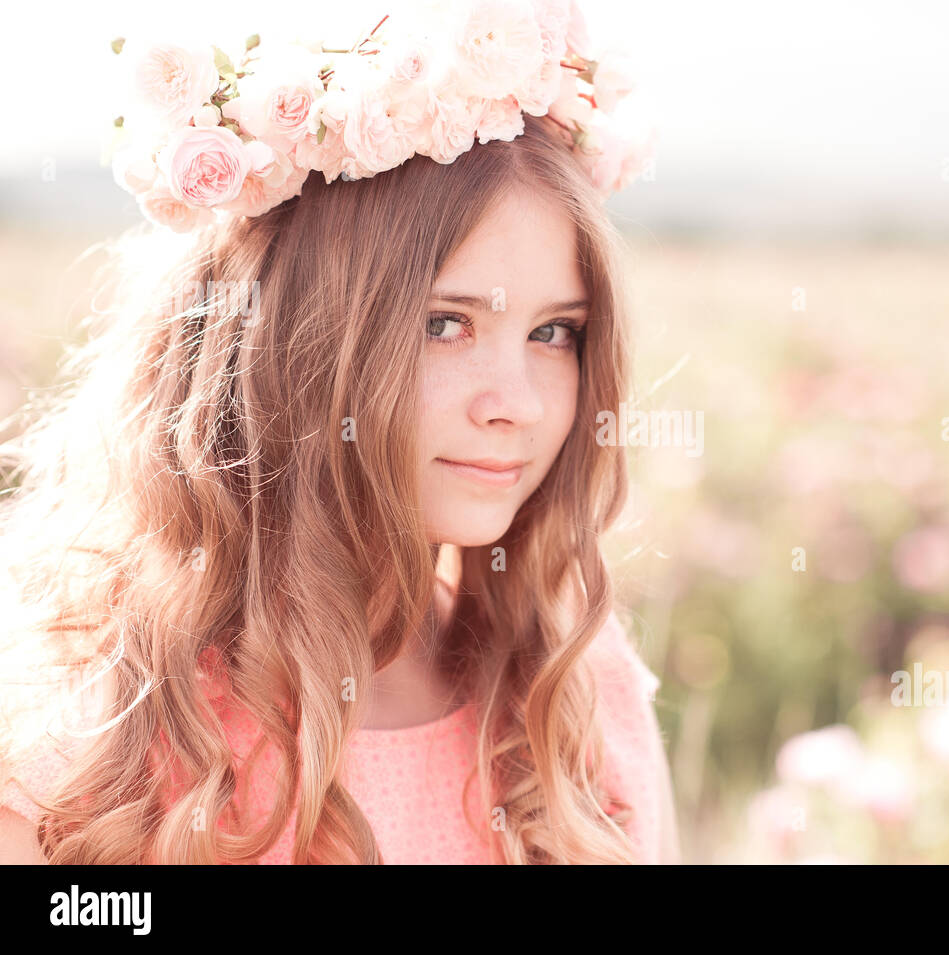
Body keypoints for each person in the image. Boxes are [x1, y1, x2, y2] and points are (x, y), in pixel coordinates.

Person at [0, 3, 678, 864]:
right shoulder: (93, 730)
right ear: (291, 339)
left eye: (555, 333)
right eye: (445, 323)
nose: (521, 404)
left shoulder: (570, 692)